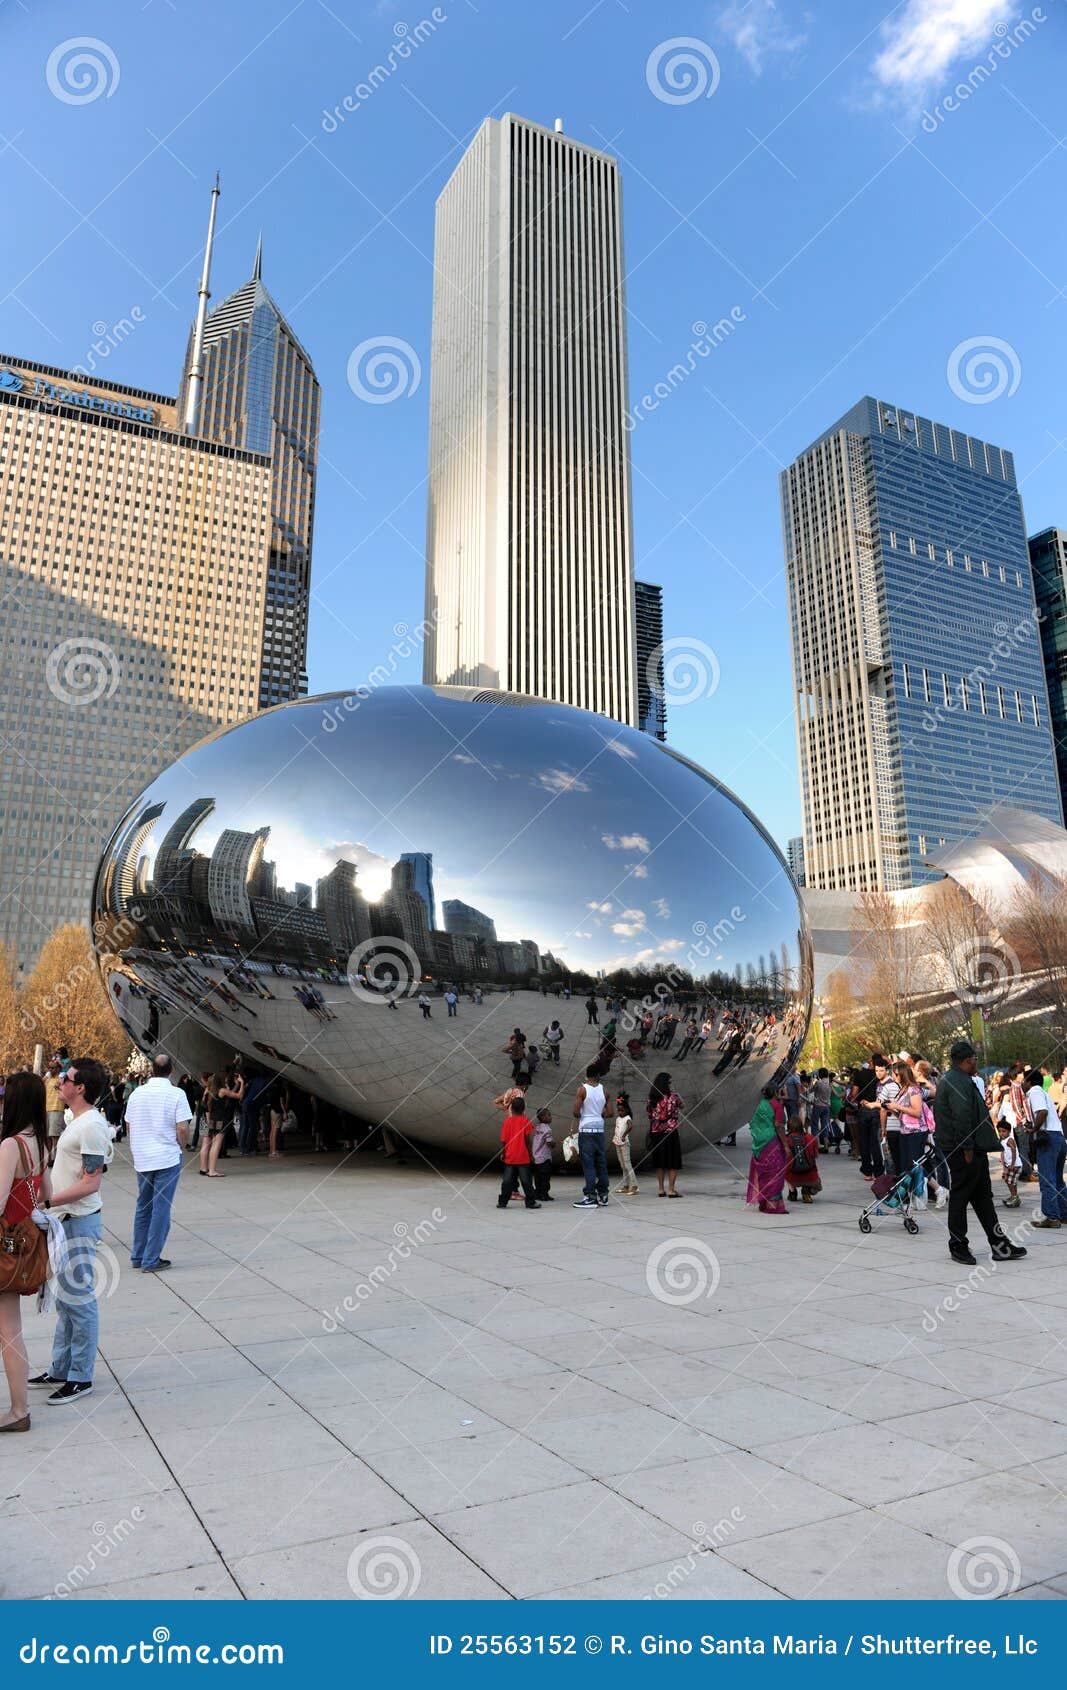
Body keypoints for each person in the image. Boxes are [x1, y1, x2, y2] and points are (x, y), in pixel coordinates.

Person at [32, 1058, 114, 1404]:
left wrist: (48, 1203)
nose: (60, 1082)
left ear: (80, 1088)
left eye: (66, 1078)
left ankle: (81, 1376)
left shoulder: (91, 1126)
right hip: (65, 1221)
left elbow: (91, 1183)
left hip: (76, 1221)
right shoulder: (78, 1121)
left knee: (79, 1302)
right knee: (66, 1301)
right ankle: (61, 1367)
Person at [933, 1041, 1026, 1266]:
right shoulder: (957, 1081)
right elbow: (962, 1117)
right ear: (967, 1060)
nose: (977, 1062)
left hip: (972, 1148)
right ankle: (958, 1244)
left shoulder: (957, 1079)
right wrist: (966, 1148)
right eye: (974, 1058)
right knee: (960, 1196)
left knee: (983, 1197)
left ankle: (999, 1244)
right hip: (965, 1149)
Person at [0, 1073, 51, 1431]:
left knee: (8, 1332)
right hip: (23, 1246)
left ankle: (19, 1411)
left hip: (3, 1246)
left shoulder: (10, 1146)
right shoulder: (41, 1144)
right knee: (10, 1329)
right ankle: (19, 1408)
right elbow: (46, 1190)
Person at [124, 1053, 191, 1272]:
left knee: (143, 1206)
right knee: (161, 1208)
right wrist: (181, 1145)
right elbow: (182, 1127)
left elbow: (129, 1126)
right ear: (171, 1070)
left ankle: (138, 1254)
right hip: (166, 1157)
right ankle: (151, 1259)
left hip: (143, 1157)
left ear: (152, 1069)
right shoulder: (177, 1093)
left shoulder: (137, 1094)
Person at [1025, 1066, 1067, 1229]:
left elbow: (1042, 1112)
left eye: (1024, 1081)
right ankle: (1064, 1214)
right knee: (1057, 1179)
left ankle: (1052, 1217)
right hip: (1058, 1137)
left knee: (1047, 1180)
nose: (1022, 1084)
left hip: (1048, 1138)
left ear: (1029, 1082)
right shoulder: (1043, 1093)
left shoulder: (1035, 1092)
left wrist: (1033, 1129)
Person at [572, 1064, 613, 1209]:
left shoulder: (582, 1089)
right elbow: (610, 1113)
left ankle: (590, 1196)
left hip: (586, 1130)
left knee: (588, 1165)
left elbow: (576, 1112)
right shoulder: (605, 1090)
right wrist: (598, 1115)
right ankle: (603, 1194)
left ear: (587, 1075)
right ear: (598, 1076)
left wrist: (585, 1115)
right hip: (599, 1129)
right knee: (601, 1163)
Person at [746, 1083, 789, 1214]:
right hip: (772, 1142)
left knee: (764, 1173)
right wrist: (786, 1146)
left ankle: (764, 1203)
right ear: (776, 1093)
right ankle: (773, 1205)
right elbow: (779, 1126)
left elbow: (754, 1123)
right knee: (776, 1173)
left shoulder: (761, 1105)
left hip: (760, 1143)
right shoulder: (778, 1106)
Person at [496, 1097, 541, 1210]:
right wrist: (531, 1154)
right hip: (523, 1157)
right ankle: (530, 1202)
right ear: (523, 1109)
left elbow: (504, 1140)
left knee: (507, 1180)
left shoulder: (507, 1122)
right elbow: (527, 1140)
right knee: (526, 1181)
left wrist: (503, 1152)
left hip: (510, 1156)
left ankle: (502, 1202)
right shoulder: (525, 1121)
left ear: (511, 1108)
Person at [644, 1071, 683, 1198]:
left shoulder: (651, 1099)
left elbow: (649, 1115)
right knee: (673, 1162)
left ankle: (661, 1189)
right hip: (670, 1132)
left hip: (656, 1132)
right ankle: (671, 1190)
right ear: (667, 1084)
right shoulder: (674, 1097)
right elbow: (682, 1106)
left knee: (659, 1162)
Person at [853, 1059, 885, 1180]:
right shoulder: (881, 1076)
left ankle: (867, 1171)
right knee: (875, 1142)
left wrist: (858, 1099)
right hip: (877, 1109)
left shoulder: (860, 1074)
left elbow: (855, 1093)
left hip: (864, 1109)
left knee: (864, 1141)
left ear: (870, 1061)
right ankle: (878, 1171)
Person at [613, 1090, 638, 1195]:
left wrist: (623, 1136)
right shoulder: (618, 1118)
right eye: (618, 1110)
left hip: (624, 1143)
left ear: (626, 1110)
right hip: (617, 1143)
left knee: (628, 1165)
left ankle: (634, 1186)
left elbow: (630, 1126)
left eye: (622, 1110)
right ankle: (626, 1186)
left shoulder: (627, 1117)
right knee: (623, 1165)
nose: (620, 1112)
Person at [531, 1107, 555, 1201]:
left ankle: (538, 1193)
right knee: (545, 1177)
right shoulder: (547, 1130)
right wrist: (554, 1144)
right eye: (549, 1115)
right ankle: (544, 1194)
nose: (551, 1117)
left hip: (536, 1156)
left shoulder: (537, 1127)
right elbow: (549, 1142)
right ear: (543, 1117)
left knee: (538, 1177)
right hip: (545, 1157)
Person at [997, 1120, 1022, 1209]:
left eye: (1004, 1131)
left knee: (1009, 1181)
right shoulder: (1003, 1140)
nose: (1001, 1133)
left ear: (1009, 1131)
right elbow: (1003, 1152)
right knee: (1011, 1181)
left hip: (1015, 1165)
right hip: (1010, 1165)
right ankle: (1014, 1196)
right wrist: (1004, 1164)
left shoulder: (1009, 1139)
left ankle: (1014, 1197)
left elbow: (1014, 1151)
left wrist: (1012, 1164)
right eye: (999, 1131)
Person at [43, 1063, 65, 1165]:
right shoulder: (47, 1078)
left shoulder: (61, 1078)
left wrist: (60, 1076)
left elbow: (61, 1085)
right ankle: (48, 1157)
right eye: (49, 1068)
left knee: (55, 1135)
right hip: (46, 1109)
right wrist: (46, 1075)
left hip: (56, 1109)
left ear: (58, 1068)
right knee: (47, 1135)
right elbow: (40, 1084)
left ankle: (55, 1157)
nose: (51, 1069)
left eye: (53, 1068)